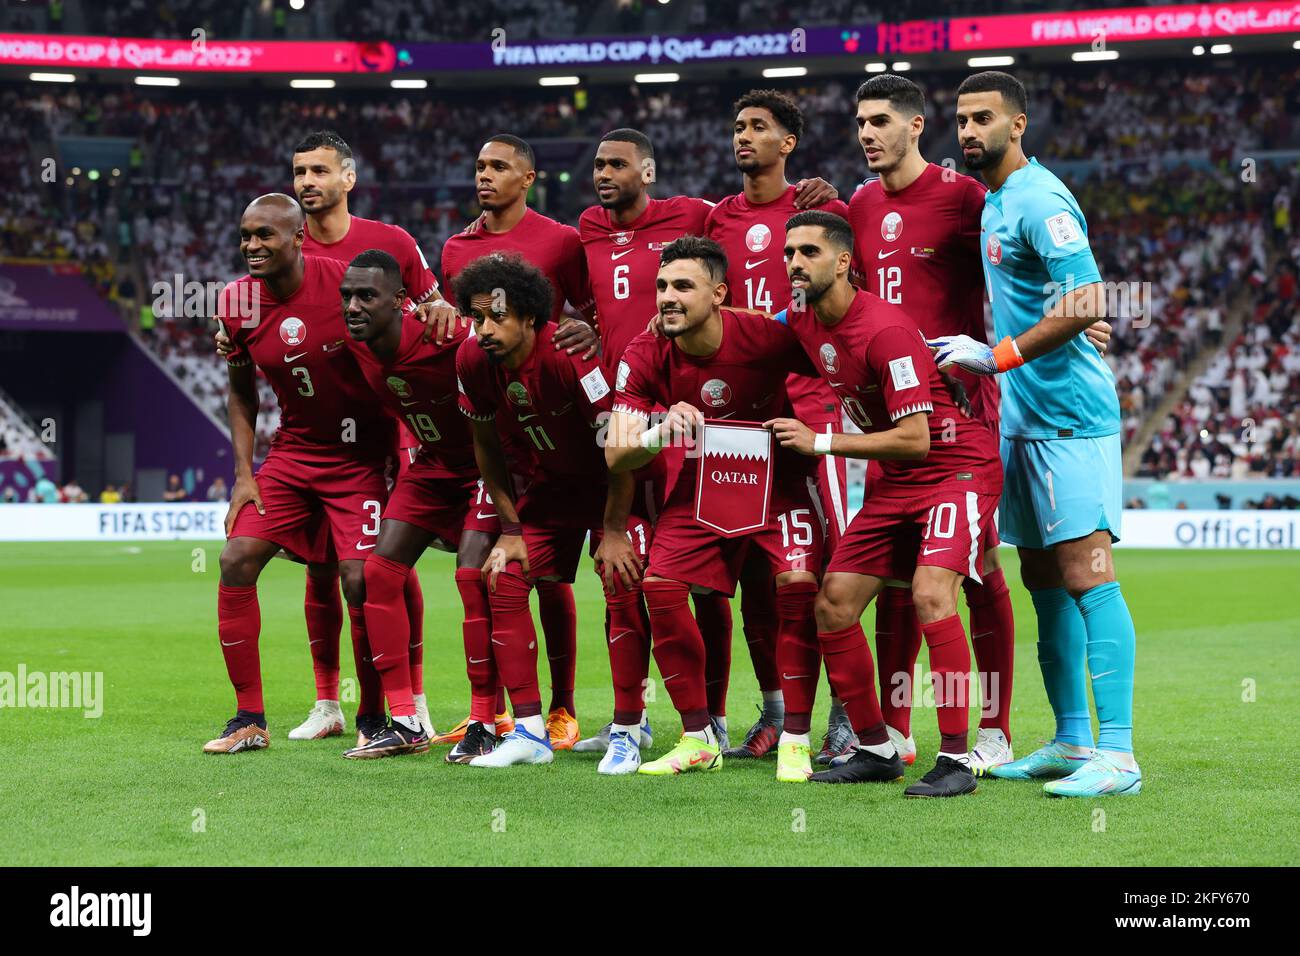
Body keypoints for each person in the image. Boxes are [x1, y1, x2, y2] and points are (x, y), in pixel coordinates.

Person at [936, 71, 1140, 797]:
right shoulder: (994, 201)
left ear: (1017, 125)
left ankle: (1118, 756)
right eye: (960, 119)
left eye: (983, 118)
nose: (968, 131)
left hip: (1070, 418)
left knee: (1087, 572)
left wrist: (999, 355)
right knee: (1043, 579)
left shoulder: (1040, 197)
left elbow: (1087, 298)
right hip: (1022, 420)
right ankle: (1071, 740)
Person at [772, 210, 1002, 797]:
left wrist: (820, 440)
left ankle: (955, 761)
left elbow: (917, 437)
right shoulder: (802, 317)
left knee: (931, 595)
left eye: (809, 253)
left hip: (956, 468)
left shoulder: (886, 331)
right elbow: (751, 330)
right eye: (790, 252)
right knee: (834, 604)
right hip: (900, 482)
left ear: (845, 262)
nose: (795, 263)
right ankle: (876, 747)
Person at [605, 236, 826, 783]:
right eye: (661, 287)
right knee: (660, 584)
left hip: (781, 480)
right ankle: (699, 735)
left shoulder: (766, 335)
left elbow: (842, 360)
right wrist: (661, 431)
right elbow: (616, 452)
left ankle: (797, 736)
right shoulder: (644, 352)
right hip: (707, 479)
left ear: (719, 294)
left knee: (797, 585)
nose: (667, 298)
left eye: (683, 286)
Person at [202, 194, 400, 756]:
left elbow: (397, 345)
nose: (252, 246)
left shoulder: (347, 284)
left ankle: (374, 717)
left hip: (361, 456)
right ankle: (248, 719)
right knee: (236, 558)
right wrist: (244, 474)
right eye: (245, 235)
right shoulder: (236, 302)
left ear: (298, 239)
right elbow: (241, 393)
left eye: (265, 234)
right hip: (293, 453)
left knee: (360, 580)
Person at [434, 133, 600, 751]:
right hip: (509, 439)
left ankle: (566, 711)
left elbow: (590, 313)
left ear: (528, 176)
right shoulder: (456, 249)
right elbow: (454, 327)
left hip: (578, 430)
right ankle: (494, 716)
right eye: (478, 165)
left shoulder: (560, 240)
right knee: (480, 571)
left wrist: (594, 357)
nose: (485, 175)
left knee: (573, 580)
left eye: (499, 166)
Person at [455, 252, 651, 772]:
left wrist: (613, 530)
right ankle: (529, 732)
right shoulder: (473, 360)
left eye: (497, 317)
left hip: (616, 486)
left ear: (530, 319)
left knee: (619, 575)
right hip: (552, 490)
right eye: (477, 318)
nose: (484, 329)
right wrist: (511, 529)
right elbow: (486, 449)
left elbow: (617, 445)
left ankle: (629, 729)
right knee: (504, 572)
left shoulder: (570, 355)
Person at [704, 89, 855, 763]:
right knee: (761, 578)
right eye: (738, 127)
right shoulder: (716, 222)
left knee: (837, 569)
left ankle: (849, 715)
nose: (743, 137)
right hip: (740, 416)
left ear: (787, 142)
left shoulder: (820, 212)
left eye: (758, 127)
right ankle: (773, 715)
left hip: (814, 408)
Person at [335, 249, 506, 761]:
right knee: (378, 574)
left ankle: (485, 721)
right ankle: (407, 721)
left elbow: (508, 354)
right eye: (347, 297)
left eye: (368, 296)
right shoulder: (355, 342)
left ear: (401, 301)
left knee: (471, 576)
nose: (354, 306)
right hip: (431, 465)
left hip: (484, 464)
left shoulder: (447, 337)